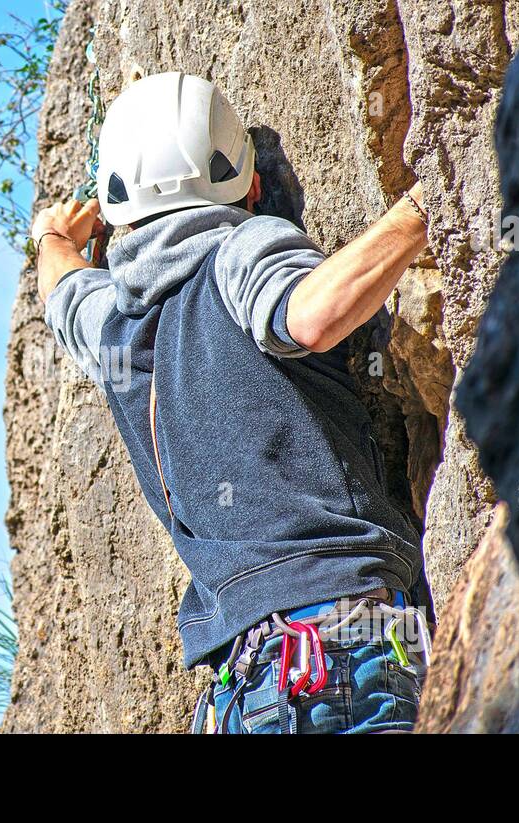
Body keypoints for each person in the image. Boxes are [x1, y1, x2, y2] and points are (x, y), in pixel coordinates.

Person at [32, 71, 434, 733]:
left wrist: (54, 237)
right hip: (339, 650)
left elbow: (62, 293)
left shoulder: (115, 329)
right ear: (250, 186)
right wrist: (424, 207)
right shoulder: (241, 249)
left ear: (116, 216)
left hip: (239, 691)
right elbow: (308, 317)